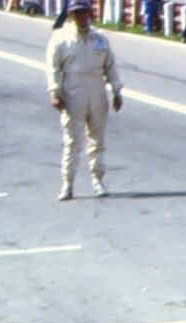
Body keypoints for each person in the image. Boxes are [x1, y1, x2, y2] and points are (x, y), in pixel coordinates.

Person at [45, 0, 123, 202]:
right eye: (76, 13)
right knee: (72, 141)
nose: (81, 17)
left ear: (90, 13)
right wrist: (55, 92)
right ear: (70, 15)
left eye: (84, 12)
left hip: (97, 92)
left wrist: (116, 91)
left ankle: (98, 179)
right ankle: (67, 183)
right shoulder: (60, 39)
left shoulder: (100, 39)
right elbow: (53, 68)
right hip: (73, 93)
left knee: (97, 139)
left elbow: (110, 66)